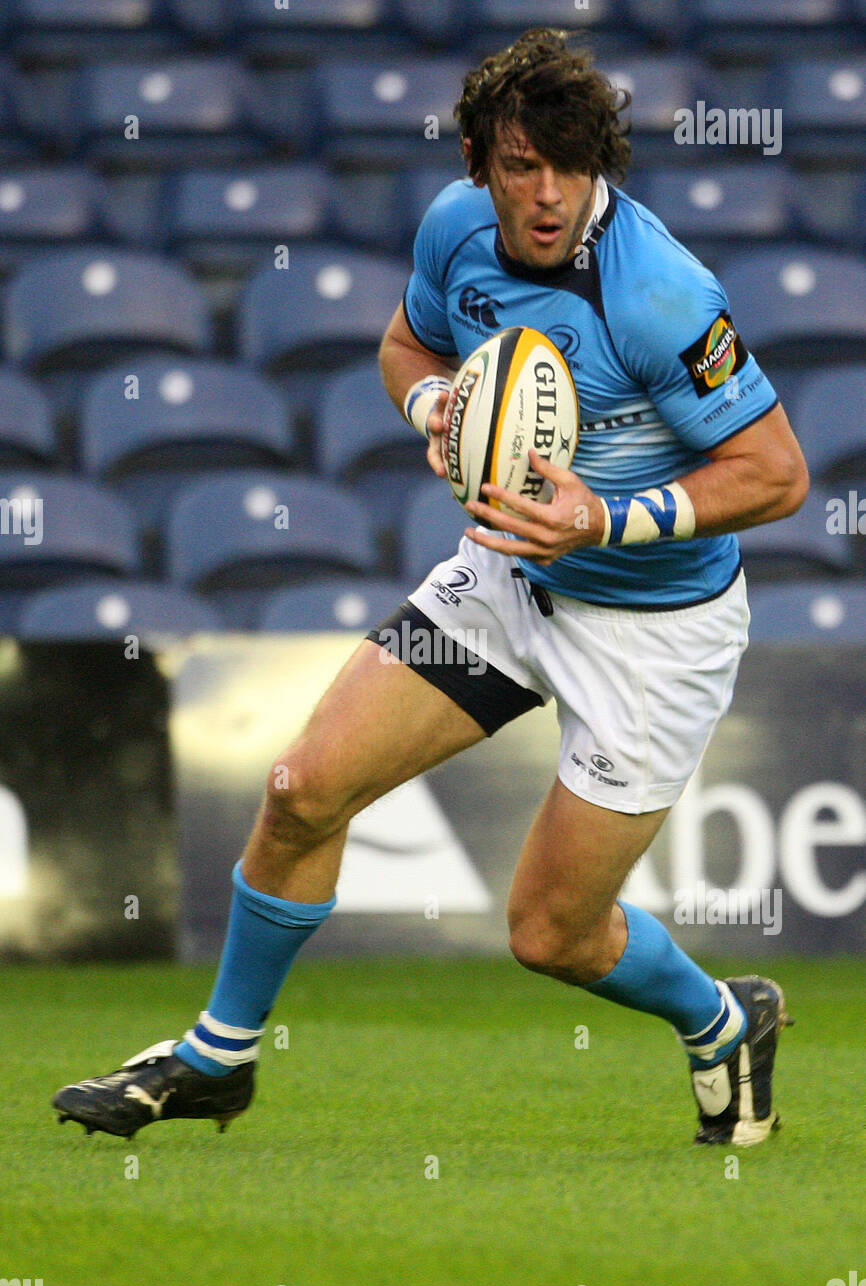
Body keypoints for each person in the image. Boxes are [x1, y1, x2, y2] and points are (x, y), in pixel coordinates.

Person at [54, 28, 806, 1147]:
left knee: (549, 932)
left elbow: (778, 474)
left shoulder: (654, 293)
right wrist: (434, 411)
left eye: (568, 167)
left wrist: (599, 516)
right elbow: (405, 346)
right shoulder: (454, 232)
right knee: (303, 787)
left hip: (652, 630)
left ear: (599, 165)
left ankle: (720, 1016)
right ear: (473, 160)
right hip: (507, 582)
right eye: (518, 166)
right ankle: (218, 1055)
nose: (545, 196)